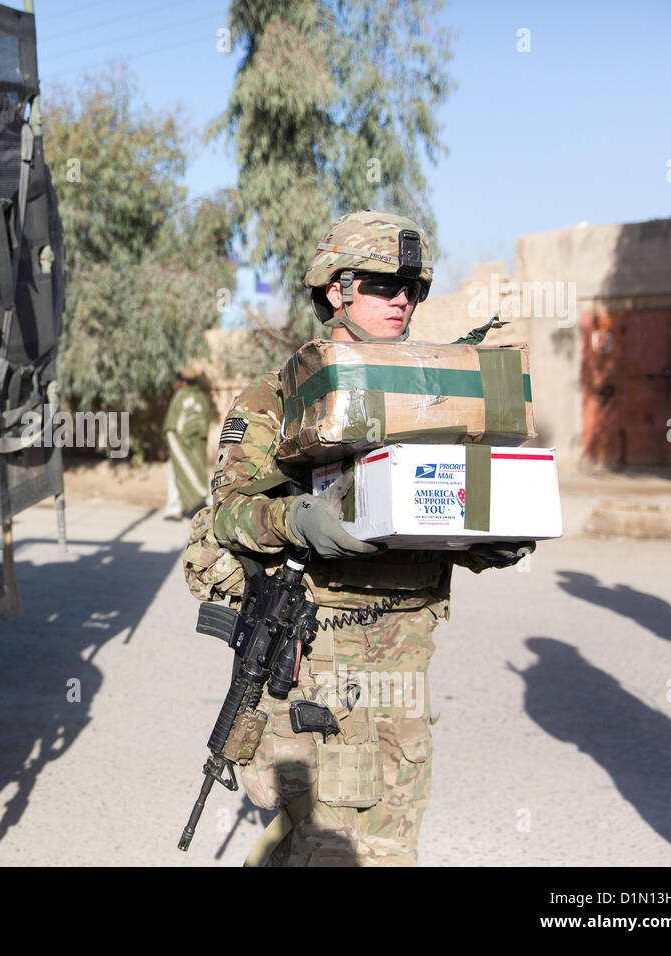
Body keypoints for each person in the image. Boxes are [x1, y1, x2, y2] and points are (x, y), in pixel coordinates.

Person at [207, 210, 531, 866]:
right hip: (322, 659)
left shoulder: (439, 392)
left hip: (406, 660)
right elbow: (227, 512)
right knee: (331, 848)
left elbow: (444, 506)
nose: (403, 299)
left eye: (412, 287)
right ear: (338, 290)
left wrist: (492, 538)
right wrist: (297, 521)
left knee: (389, 850)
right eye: (384, 285)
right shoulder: (276, 398)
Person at [163, 370, 213, 520]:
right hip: (198, 444)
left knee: (175, 472)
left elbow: (172, 423)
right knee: (198, 472)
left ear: (183, 382)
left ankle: (174, 508)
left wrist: (172, 441)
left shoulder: (181, 396)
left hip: (181, 442)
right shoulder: (201, 398)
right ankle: (206, 505)